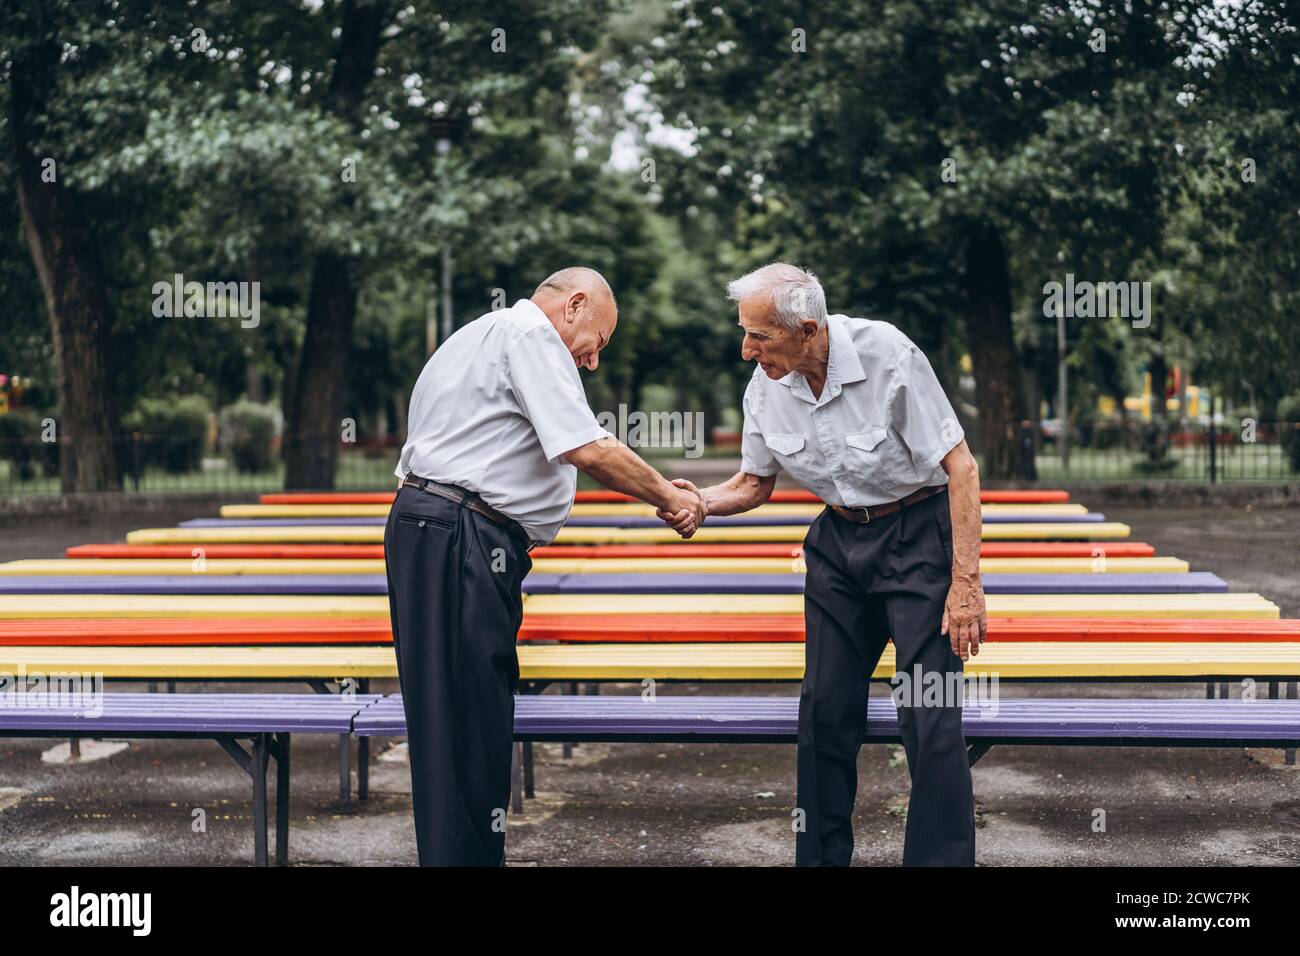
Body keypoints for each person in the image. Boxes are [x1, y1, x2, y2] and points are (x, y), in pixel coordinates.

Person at [669, 262, 987, 866]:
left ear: (808, 329)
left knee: (928, 714)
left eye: (760, 336)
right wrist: (702, 502)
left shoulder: (888, 354)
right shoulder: (767, 384)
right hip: (839, 545)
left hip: (919, 537)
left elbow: (961, 468)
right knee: (823, 711)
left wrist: (965, 582)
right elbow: (755, 481)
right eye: (746, 332)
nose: (746, 350)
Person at [385, 266, 705, 866]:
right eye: (598, 343)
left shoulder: (479, 333)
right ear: (575, 305)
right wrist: (672, 496)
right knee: (465, 730)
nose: (593, 363)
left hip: (446, 531)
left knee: (460, 724)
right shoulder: (531, 336)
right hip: (459, 534)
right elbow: (586, 446)